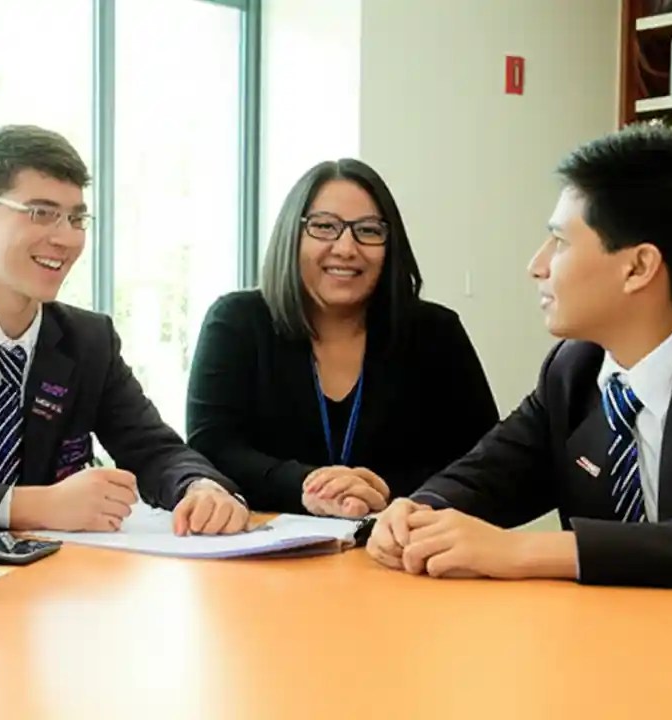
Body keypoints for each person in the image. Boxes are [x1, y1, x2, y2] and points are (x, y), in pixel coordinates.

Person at [366, 124, 672, 598]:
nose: (538, 264)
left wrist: (529, 552)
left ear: (638, 267)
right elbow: (492, 473)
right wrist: (419, 513)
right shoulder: (575, 369)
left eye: (561, 242)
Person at [0, 124, 249, 535]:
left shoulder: (88, 341)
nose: (66, 238)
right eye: (42, 214)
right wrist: (30, 505)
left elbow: (154, 449)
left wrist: (201, 488)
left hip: (57, 583)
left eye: (76, 218)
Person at [186, 159, 499, 517]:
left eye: (368, 230)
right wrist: (310, 485)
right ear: (292, 235)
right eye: (324, 227)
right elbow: (211, 448)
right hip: (266, 553)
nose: (346, 248)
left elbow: (482, 461)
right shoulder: (237, 322)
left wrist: (384, 490)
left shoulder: (436, 332)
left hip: (404, 547)